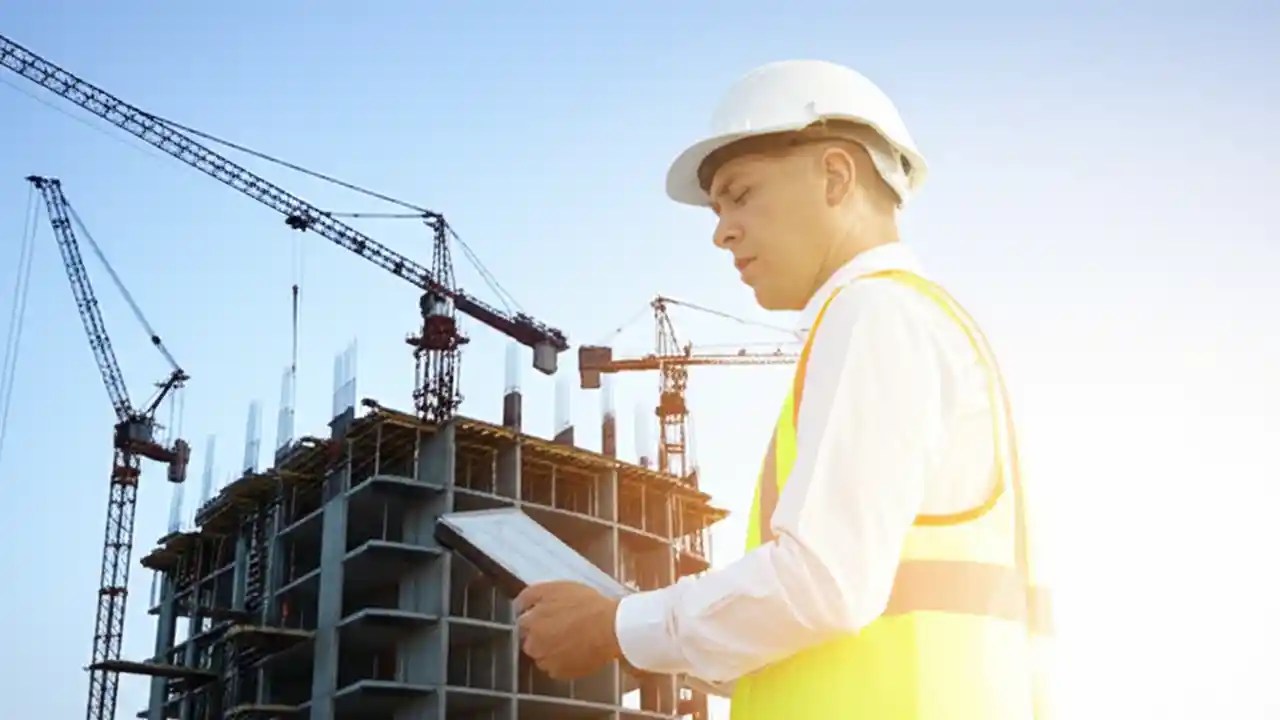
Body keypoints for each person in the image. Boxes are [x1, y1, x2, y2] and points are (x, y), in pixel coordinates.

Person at [515, 59, 1054, 719]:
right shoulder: (916, 322)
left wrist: (613, 625)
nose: (721, 232)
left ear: (835, 175)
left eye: (740, 194)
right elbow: (833, 612)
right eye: (716, 210)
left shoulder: (874, 314)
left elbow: (822, 584)